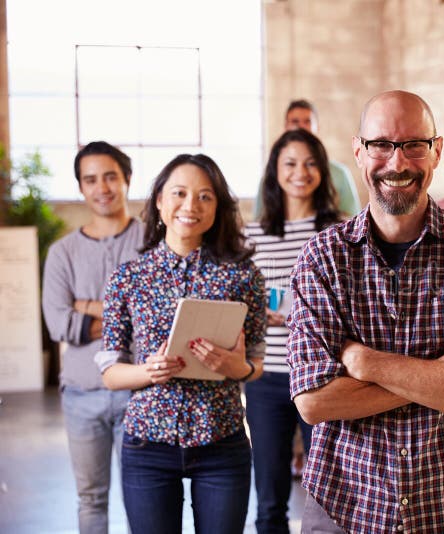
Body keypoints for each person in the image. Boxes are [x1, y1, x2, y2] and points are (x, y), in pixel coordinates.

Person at [287, 90, 444, 533]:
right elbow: (315, 401)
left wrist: (365, 362)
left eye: (413, 145)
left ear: (435, 151)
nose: (396, 163)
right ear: (359, 152)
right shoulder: (322, 258)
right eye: (381, 144)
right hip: (345, 505)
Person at [94, 154, 267, 534]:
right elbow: (110, 372)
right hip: (147, 446)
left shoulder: (243, 275)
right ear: (159, 199)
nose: (191, 206)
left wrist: (234, 368)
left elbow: (255, 364)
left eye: (205, 196)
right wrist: (146, 371)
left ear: (218, 207)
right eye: (179, 193)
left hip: (222, 441)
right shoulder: (128, 277)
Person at [42, 141, 143, 534]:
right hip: (82, 395)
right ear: (81, 188)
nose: (102, 187)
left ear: (127, 180)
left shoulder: (152, 241)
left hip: (140, 392)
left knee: (143, 494)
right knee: (90, 498)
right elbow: (58, 323)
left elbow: (164, 313)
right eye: (91, 180)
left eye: (110, 177)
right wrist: (128, 310)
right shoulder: (62, 253)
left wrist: (86, 305)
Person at [243, 128, 341, 534]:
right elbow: (241, 302)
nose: (301, 172)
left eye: (310, 162)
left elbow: (351, 303)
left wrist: (307, 312)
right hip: (266, 377)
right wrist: (257, 312)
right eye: (290, 163)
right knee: (269, 500)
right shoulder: (251, 234)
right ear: (274, 171)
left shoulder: (340, 231)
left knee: (329, 497)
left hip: (323, 376)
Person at [255, 99, 361, 218]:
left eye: (307, 122)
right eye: (295, 121)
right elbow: (260, 216)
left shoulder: (340, 173)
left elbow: (352, 218)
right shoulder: (270, 174)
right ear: (286, 126)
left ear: (317, 127)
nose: (301, 173)